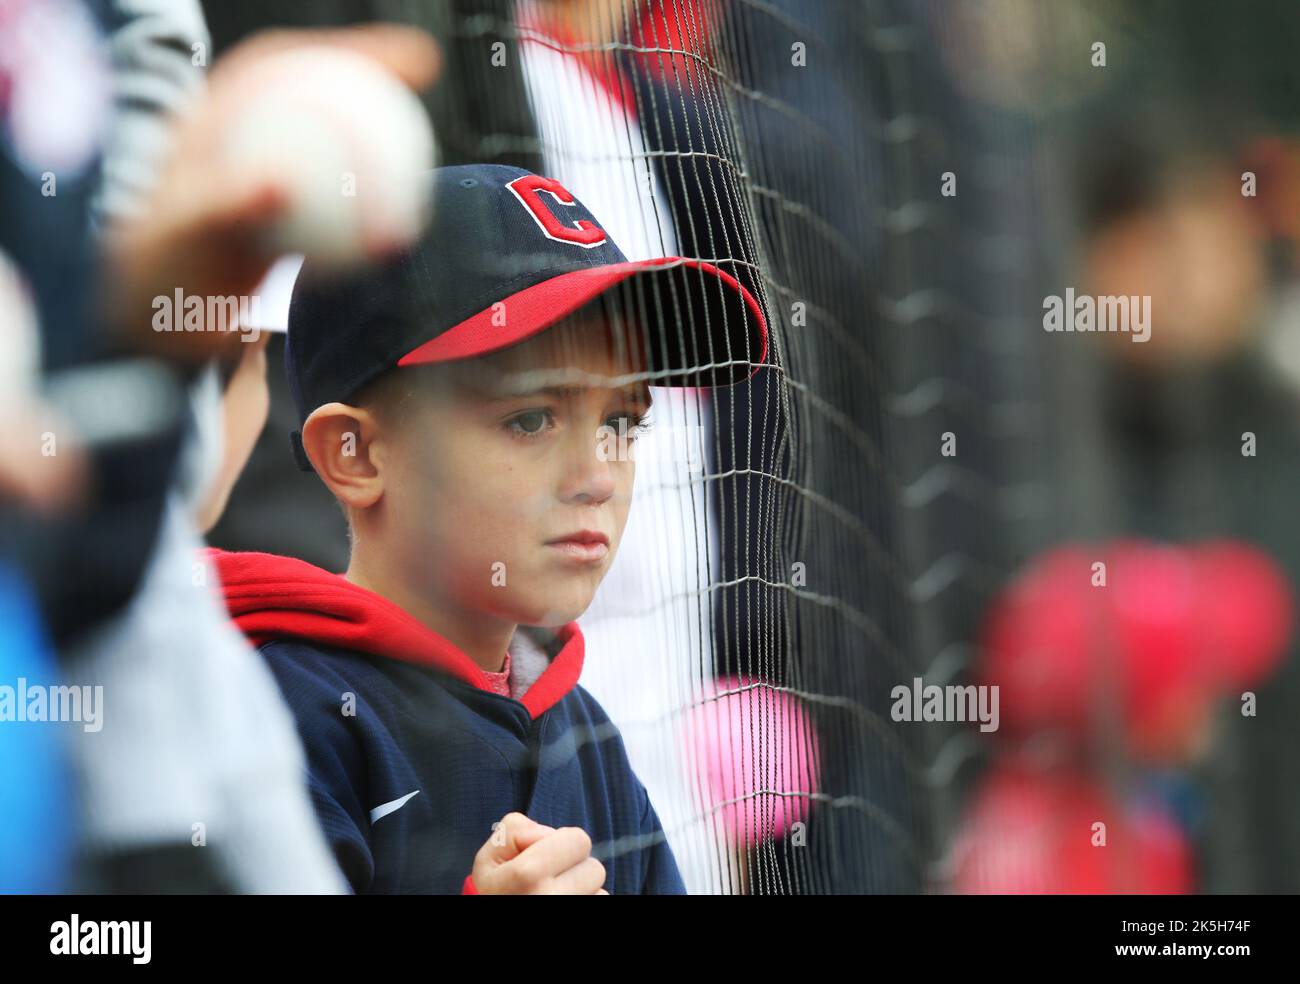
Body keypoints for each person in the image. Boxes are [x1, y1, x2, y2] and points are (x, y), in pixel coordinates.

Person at [207, 163, 768, 893]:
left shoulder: (587, 736)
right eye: (530, 418)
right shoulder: (274, 716)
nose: (599, 475)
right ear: (357, 454)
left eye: (622, 423)